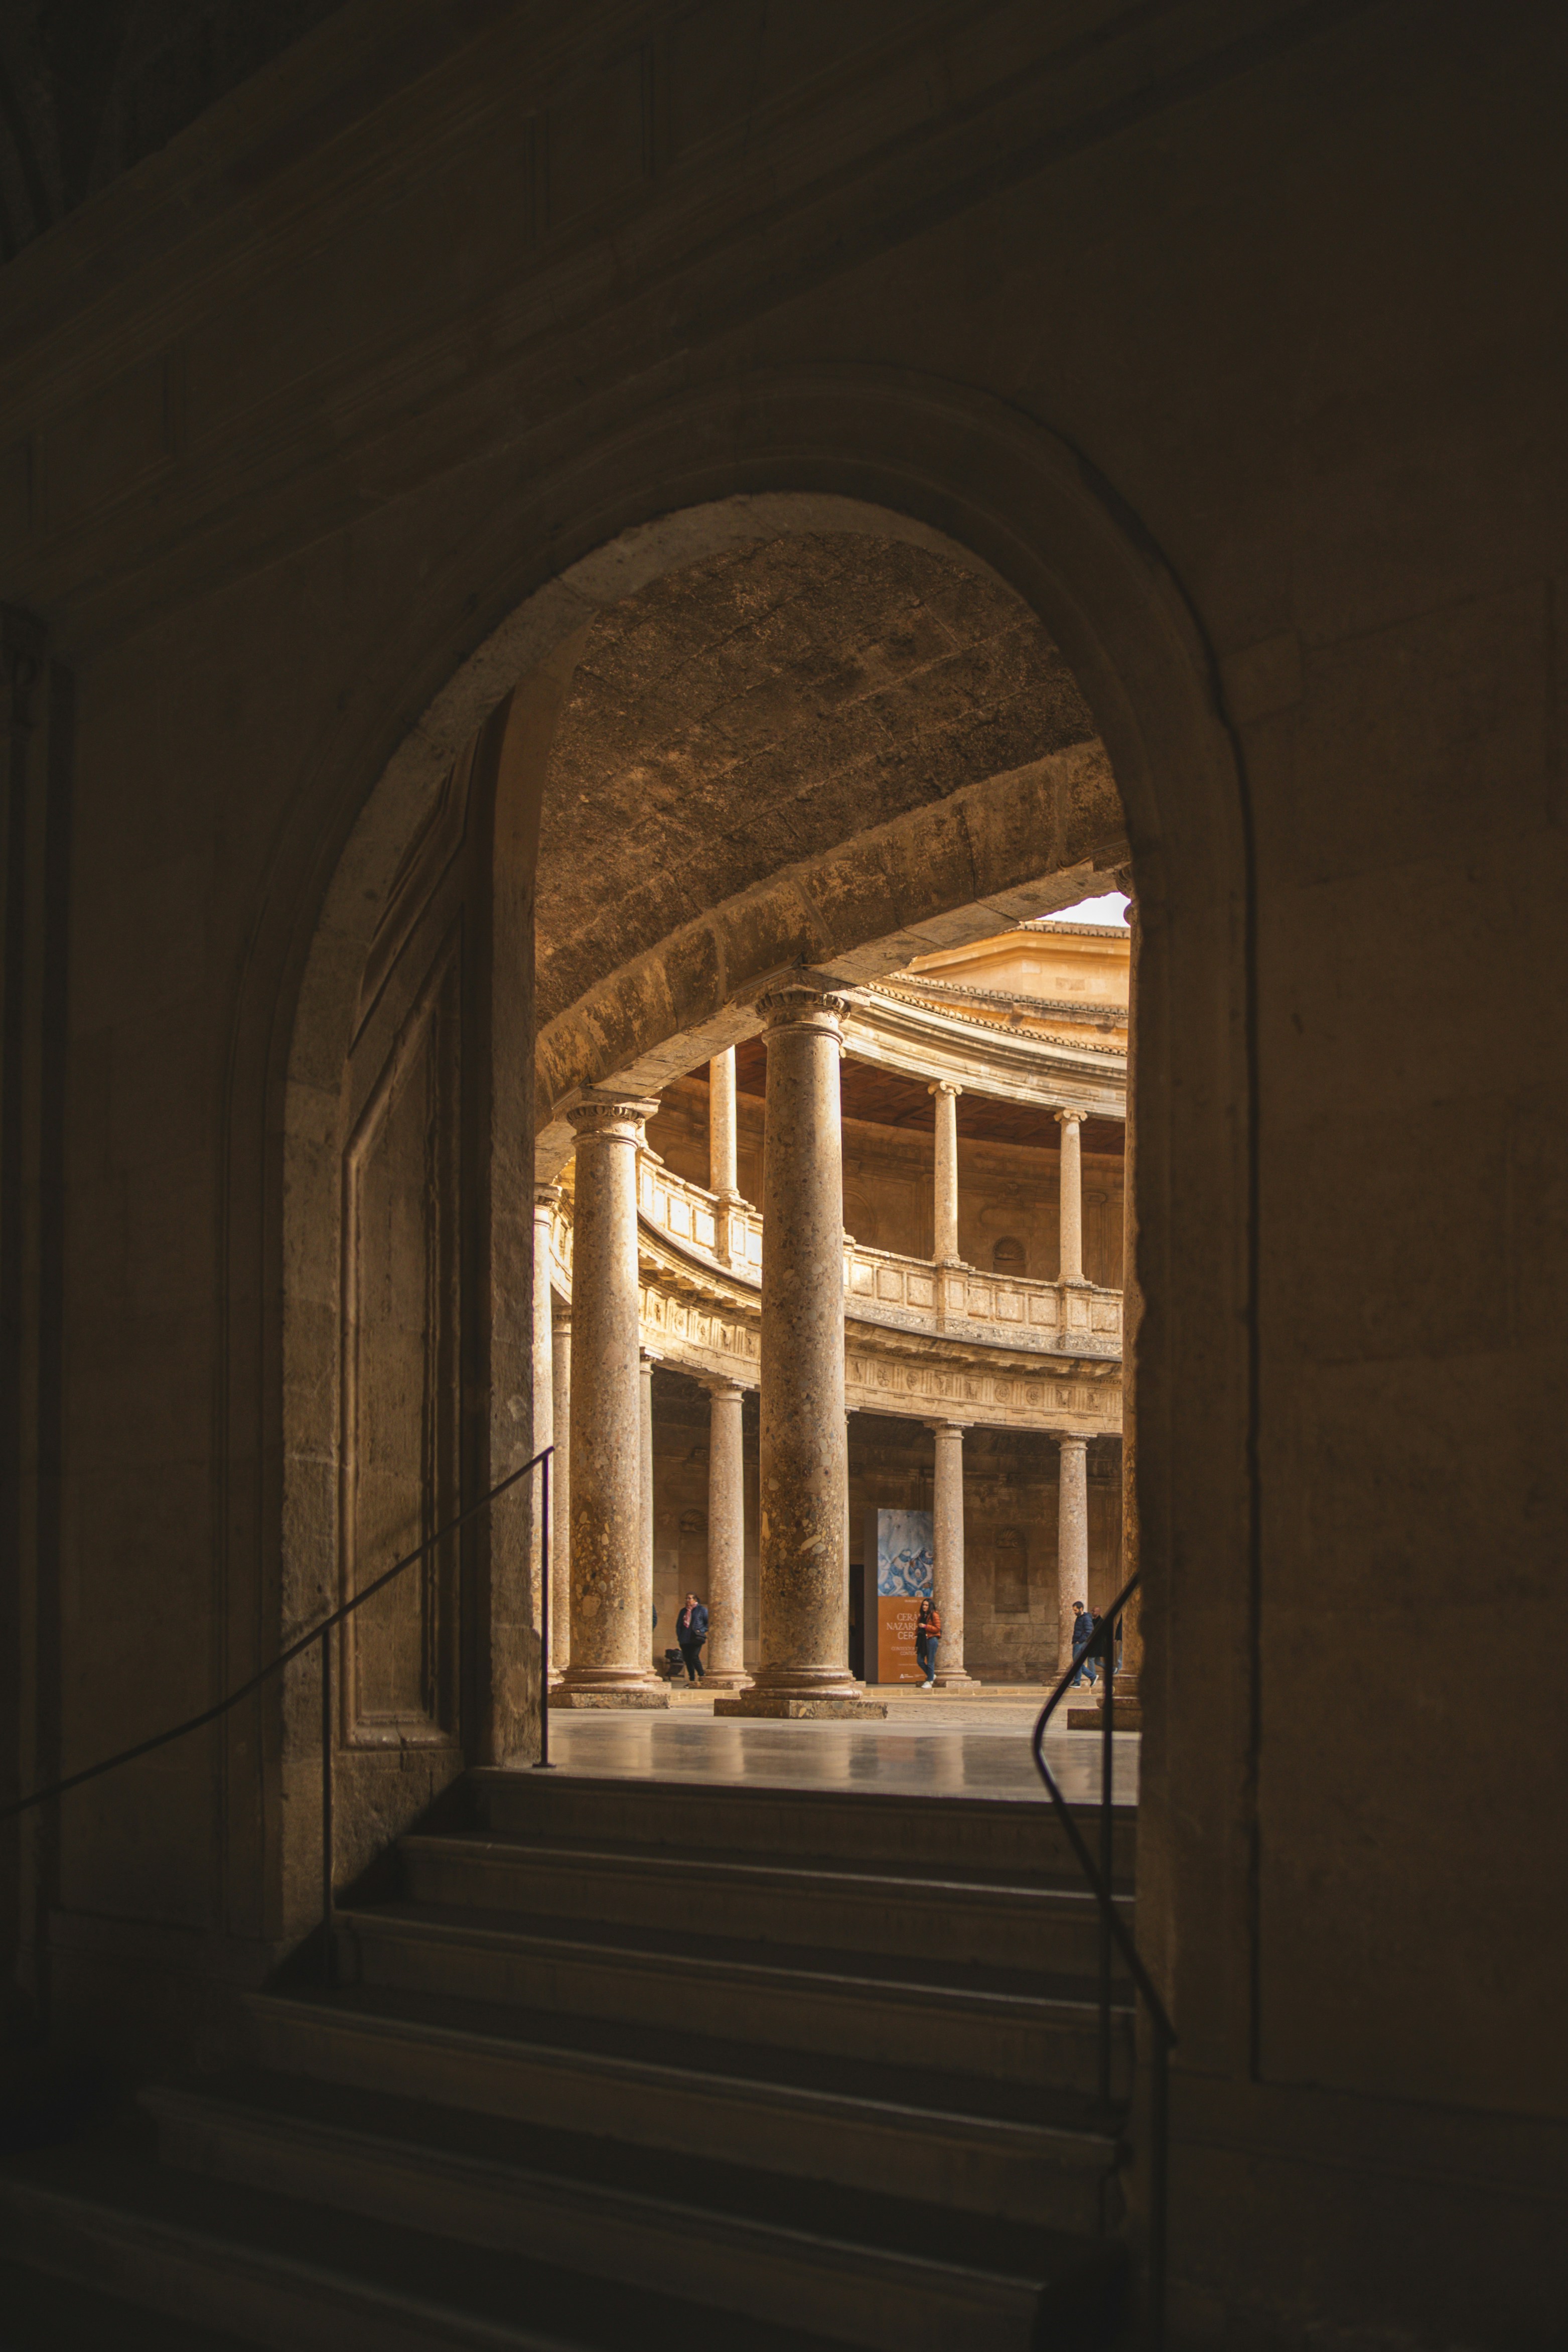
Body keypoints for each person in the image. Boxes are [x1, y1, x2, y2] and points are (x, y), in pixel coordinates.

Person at [675, 1591, 708, 1683]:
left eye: (690, 1598)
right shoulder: (683, 1611)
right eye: (686, 1598)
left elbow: (708, 1623)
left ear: (695, 1600)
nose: (688, 1600)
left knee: (694, 1656)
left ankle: (702, 1675)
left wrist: (701, 1631)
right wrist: (679, 1636)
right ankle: (692, 1679)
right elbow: (679, 1625)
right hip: (685, 1638)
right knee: (688, 1659)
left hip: (696, 1638)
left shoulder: (702, 1610)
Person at [914, 1593, 942, 1688]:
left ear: (930, 1606)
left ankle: (930, 1681)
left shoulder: (934, 1615)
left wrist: (926, 1626)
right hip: (923, 1641)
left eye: (926, 1605)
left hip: (932, 1640)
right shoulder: (922, 1616)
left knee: (930, 1661)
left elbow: (937, 1629)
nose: (924, 1607)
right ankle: (931, 1676)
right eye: (923, 1605)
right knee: (920, 1661)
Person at [1069, 1599, 1096, 1687]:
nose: (1074, 1612)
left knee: (1077, 1663)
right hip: (1078, 1642)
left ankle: (1077, 1682)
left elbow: (1089, 1631)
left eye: (1075, 1610)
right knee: (1078, 1663)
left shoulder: (1086, 1618)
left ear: (1081, 1609)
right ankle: (1092, 1677)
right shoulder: (1080, 1617)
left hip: (1081, 1643)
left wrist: (1079, 1641)